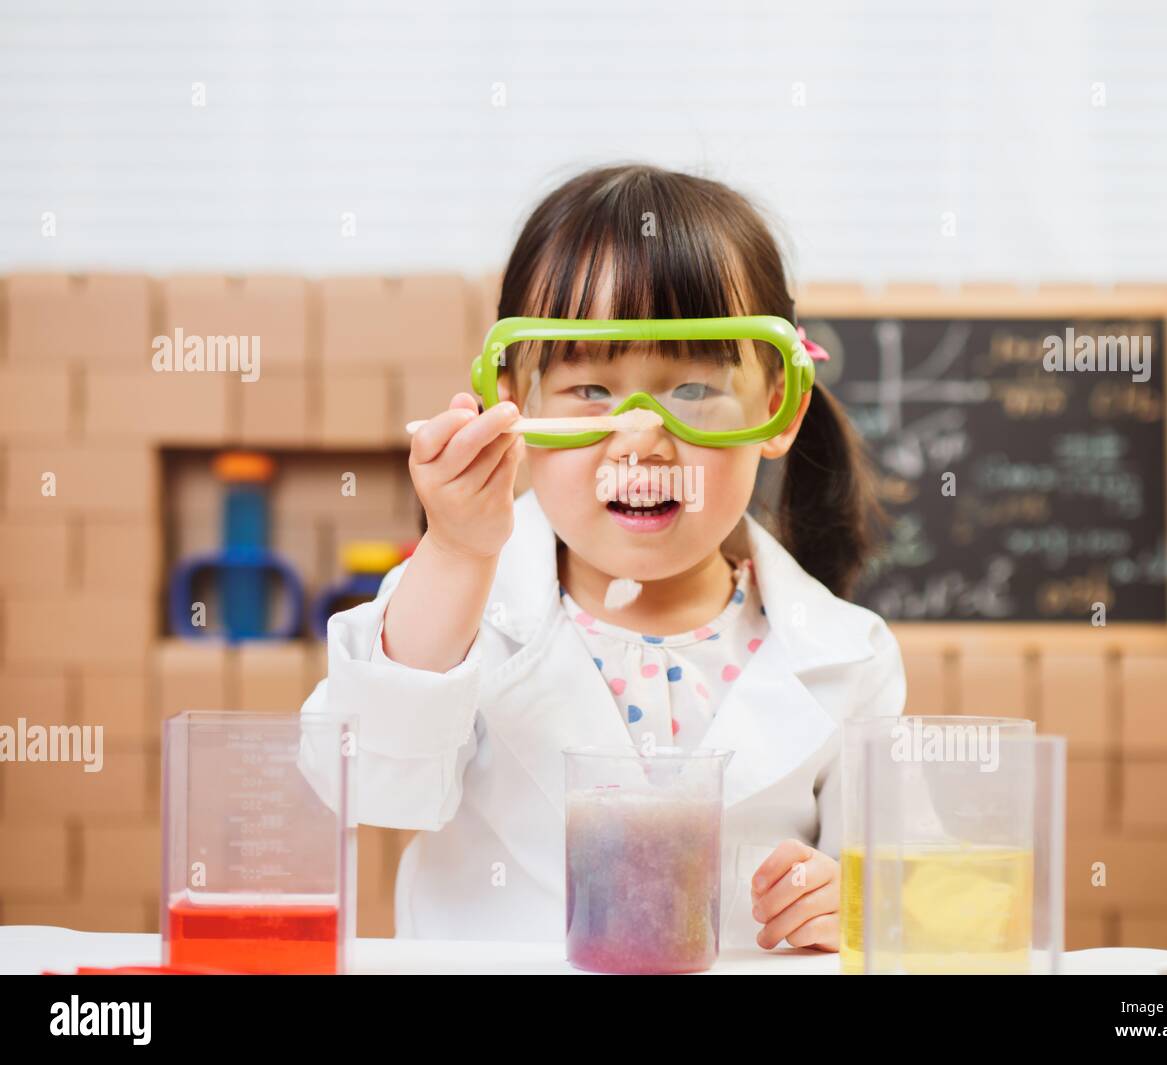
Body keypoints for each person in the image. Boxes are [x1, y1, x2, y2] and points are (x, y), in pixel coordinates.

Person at [302, 163, 905, 952]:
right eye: (589, 388)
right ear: (514, 403)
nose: (641, 435)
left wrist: (852, 903)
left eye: (691, 388)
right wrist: (453, 552)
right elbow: (370, 781)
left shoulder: (849, 656)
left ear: (776, 407)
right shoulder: (463, 606)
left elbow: (881, 902)